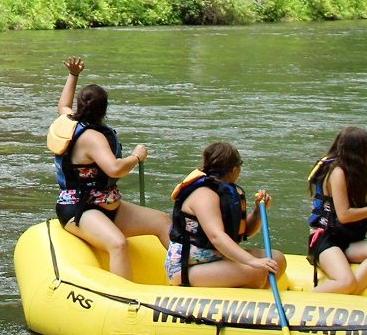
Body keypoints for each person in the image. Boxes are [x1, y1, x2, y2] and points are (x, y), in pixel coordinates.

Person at [51, 57, 169, 280]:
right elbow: (114, 169)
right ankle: (125, 299)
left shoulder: (69, 120)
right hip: (80, 208)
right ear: (104, 109)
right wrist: (136, 156)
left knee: (162, 221)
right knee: (117, 243)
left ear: (80, 106)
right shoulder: (92, 138)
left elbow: (62, 106)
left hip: (108, 204)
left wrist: (73, 75)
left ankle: (187, 275)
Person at [166, 142, 283, 288]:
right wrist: (252, 261)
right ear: (234, 169)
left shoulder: (226, 192)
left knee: (277, 259)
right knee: (257, 270)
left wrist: (259, 211)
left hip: (218, 258)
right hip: (188, 268)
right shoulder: (204, 195)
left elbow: (247, 231)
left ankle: (257, 297)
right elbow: (217, 237)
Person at [306, 127, 367, 294]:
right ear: (359, 152)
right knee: (345, 281)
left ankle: (352, 294)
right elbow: (344, 215)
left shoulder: (358, 175)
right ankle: (305, 300)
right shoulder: (337, 173)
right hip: (326, 240)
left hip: (348, 241)